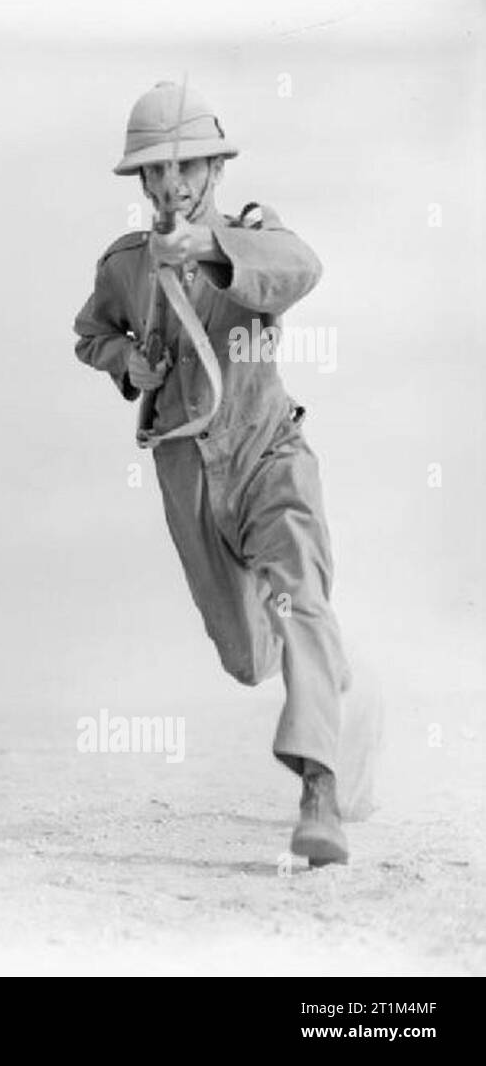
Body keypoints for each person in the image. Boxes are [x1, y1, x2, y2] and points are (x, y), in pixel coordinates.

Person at [73, 82, 368, 867]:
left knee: (300, 595)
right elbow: (90, 331)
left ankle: (320, 793)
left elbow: (301, 268)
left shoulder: (254, 238)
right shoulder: (126, 266)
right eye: (155, 175)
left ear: (214, 172)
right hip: (189, 482)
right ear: (141, 184)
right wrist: (127, 360)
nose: (171, 187)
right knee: (246, 658)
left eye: (188, 169)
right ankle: (327, 671)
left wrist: (208, 248)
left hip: (269, 455)